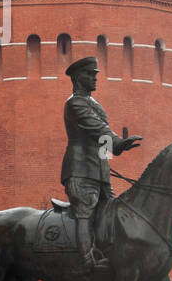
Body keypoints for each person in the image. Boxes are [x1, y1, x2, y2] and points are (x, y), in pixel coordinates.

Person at [60, 56, 142, 269]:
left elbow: (100, 139)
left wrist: (107, 162)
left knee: (113, 211)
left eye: (95, 74)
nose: (95, 78)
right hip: (80, 171)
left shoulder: (94, 104)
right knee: (86, 209)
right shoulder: (75, 103)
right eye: (90, 75)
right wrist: (118, 143)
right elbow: (96, 128)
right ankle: (87, 262)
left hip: (99, 172)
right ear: (78, 78)